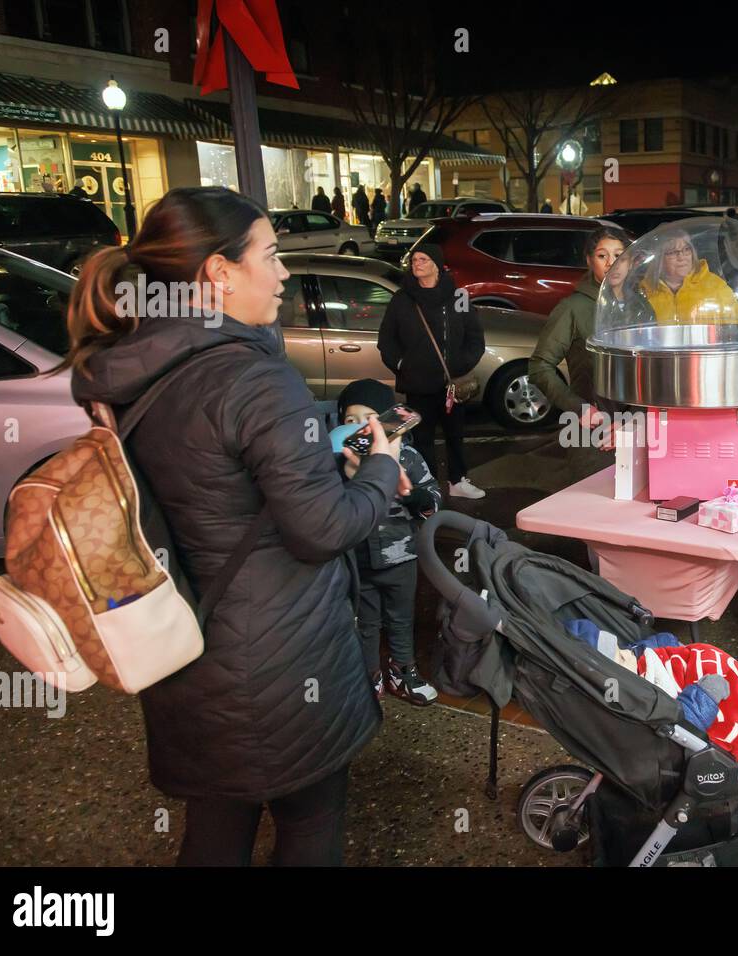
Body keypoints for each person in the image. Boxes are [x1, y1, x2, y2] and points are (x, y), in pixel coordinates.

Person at [64, 186, 400, 865]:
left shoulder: (127, 367)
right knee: (311, 823)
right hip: (281, 658)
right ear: (218, 272)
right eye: (271, 257)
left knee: (217, 828)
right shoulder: (252, 380)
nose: (282, 274)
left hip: (186, 647)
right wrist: (379, 472)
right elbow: (320, 530)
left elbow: (204, 483)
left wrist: (309, 454)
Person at [336, 378, 441, 705]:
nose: (359, 426)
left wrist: (417, 498)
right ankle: (369, 676)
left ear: (386, 421)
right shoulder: (337, 461)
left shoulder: (407, 456)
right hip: (359, 558)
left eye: (369, 417)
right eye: (350, 419)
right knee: (365, 622)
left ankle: (404, 672)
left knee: (400, 618)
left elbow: (434, 500)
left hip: (401, 557)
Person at [378, 244, 487, 499]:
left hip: (452, 384)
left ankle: (458, 481)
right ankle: (427, 485)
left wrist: (463, 363)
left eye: (423, 259)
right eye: (414, 259)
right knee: (422, 438)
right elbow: (386, 340)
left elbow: (475, 335)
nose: (417, 264)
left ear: (436, 264)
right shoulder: (403, 299)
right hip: (418, 384)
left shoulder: (456, 297)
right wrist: (402, 365)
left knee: (455, 435)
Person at [530, 226, 630, 443]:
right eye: (602, 255)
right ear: (589, 261)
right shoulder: (573, 308)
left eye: (619, 255)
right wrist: (579, 407)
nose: (611, 263)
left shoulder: (640, 306)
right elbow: (539, 365)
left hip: (635, 427)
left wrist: (634, 420)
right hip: (593, 428)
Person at [641, 228, 738, 324]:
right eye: (672, 252)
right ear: (659, 259)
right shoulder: (645, 290)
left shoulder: (716, 287)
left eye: (686, 249)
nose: (681, 257)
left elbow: (735, 330)